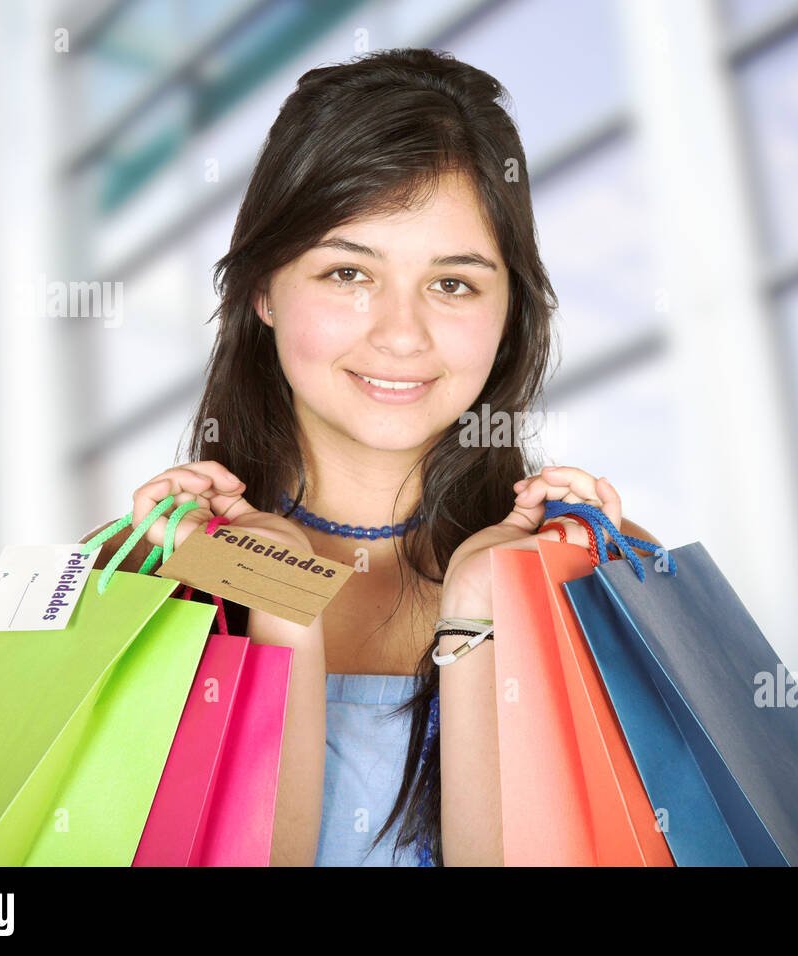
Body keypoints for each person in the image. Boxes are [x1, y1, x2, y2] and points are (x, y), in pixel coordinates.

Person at [84, 47, 659, 867]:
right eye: (349, 272)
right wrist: (278, 595)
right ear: (262, 289)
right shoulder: (128, 572)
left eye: (454, 283)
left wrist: (480, 607)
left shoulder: (595, 571)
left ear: (509, 314)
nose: (400, 334)